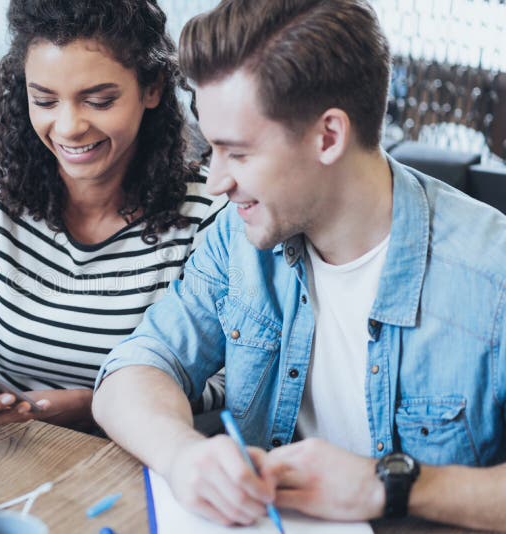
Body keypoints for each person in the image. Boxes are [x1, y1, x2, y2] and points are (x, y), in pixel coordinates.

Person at [92, 0, 506, 531]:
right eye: (212, 149)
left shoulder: (490, 275)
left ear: (328, 137)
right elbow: (133, 368)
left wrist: (390, 486)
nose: (215, 181)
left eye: (238, 153)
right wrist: (182, 455)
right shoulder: (238, 239)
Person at [0, 0, 229, 431]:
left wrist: (97, 406)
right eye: (44, 100)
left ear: (151, 88)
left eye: (99, 101)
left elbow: (225, 383)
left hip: (128, 442)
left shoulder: (209, 206)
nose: (69, 126)